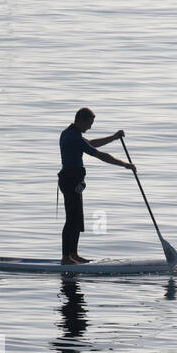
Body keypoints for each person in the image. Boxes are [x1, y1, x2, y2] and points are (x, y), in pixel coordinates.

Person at [58, 108, 133, 264]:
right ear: (81, 120)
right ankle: (66, 257)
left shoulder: (73, 134)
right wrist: (124, 164)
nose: (90, 127)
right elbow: (99, 154)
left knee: (77, 218)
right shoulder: (72, 136)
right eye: (89, 124)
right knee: (71, 219)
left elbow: (92, 143)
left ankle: (74, 254)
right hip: (70, 181)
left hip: (74, 182)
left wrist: (113, 137)